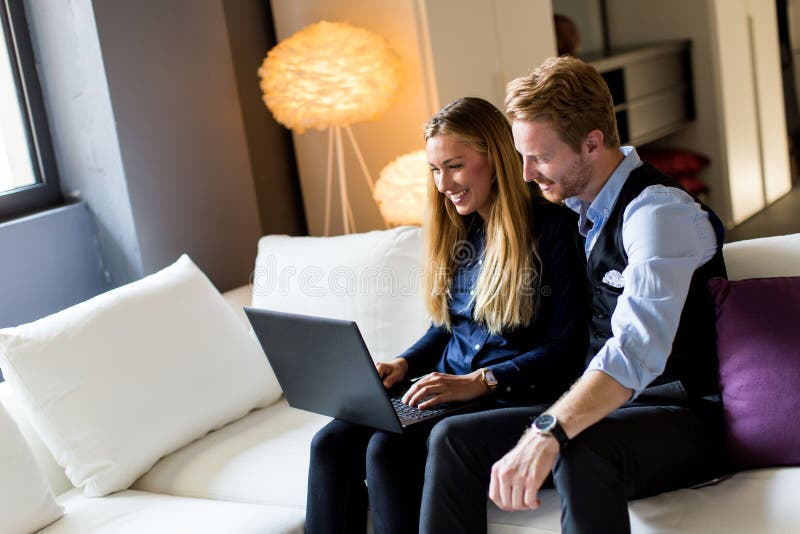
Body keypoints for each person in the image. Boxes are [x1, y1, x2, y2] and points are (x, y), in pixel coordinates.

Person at [420, 56, 728, 534]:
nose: (523, 174)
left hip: (680, 413)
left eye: (539, 157)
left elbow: (635, 349)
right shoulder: (580, 214)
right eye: (522, 156)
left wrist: (548, 428)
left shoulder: (658, 214)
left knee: (579, 447)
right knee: (453, 439)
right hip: (617, 408)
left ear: (592, 142)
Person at [304, 97, 588, 534]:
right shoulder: (464, 230)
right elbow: (447, 327)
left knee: (387, 450)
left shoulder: (553, 229)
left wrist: (478, 381)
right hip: (444, 390)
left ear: (495, 159)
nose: (443, 184)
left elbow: (566, 349)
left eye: (454, 166)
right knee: (330, 443)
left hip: (505, 396)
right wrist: (404, 364)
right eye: (435, 170)